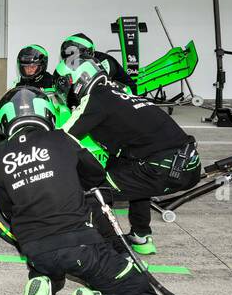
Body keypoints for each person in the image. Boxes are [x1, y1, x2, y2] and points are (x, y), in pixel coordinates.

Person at [0, 87, 173, 295]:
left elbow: (5, 208)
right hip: (80, 247)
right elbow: (95, 174)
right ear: (47, 113)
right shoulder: (62, 139)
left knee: (54, 260)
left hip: (36, 252)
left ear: (4, 120)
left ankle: (43, 283)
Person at [58, 58, 201, 255]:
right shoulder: (121, 93)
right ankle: (141, 237)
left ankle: (115, 254)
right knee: (127, 174)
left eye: (65, 84)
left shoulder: (95, 99)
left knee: (93, 192)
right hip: (189, 165)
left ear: (78, 80)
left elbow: (60, 139)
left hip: (161, 168)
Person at [60, 33, 134, 91]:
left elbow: (97, 85)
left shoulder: (105, 61)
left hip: (127, 94)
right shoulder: (81, 63)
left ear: (87, 52)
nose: (70, 61)